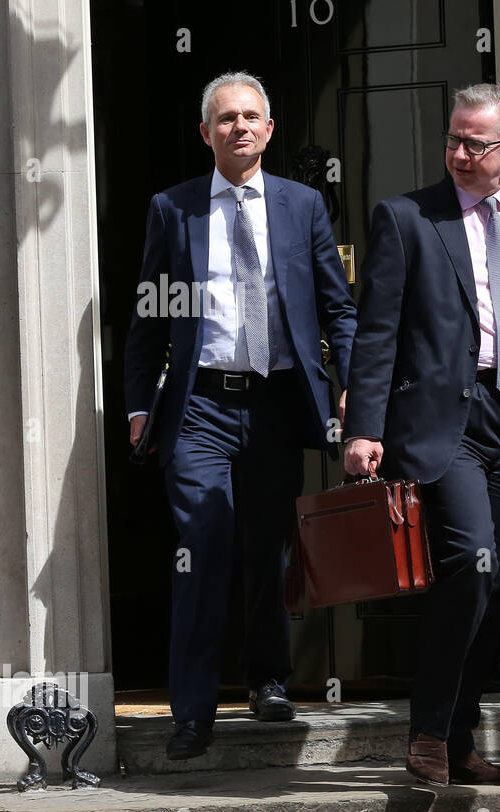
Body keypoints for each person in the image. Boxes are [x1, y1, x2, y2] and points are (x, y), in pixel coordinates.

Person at [343, 84, 500, 787]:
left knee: (491, 582)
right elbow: (377, 330)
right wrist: (363, 428)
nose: (459, 153)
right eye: (453, 138)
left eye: (475, 143)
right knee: (471, 561)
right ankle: (428, 732)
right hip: (446, 421)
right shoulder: (407, 217)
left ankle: (461, 736)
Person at [124, 72, 356, 760]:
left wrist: (355, 388)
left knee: (267, 546)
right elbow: (148, 315)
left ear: (270, 129)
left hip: (277, 402)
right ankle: (192, 710)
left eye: (252, 117)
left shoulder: (303, 205)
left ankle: (269, 679)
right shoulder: (174, 208)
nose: (240, 128)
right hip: (198, 406)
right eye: (226, 119)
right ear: (206, 133)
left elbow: (337, 307)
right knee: (202, 545)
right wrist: (140, 405)